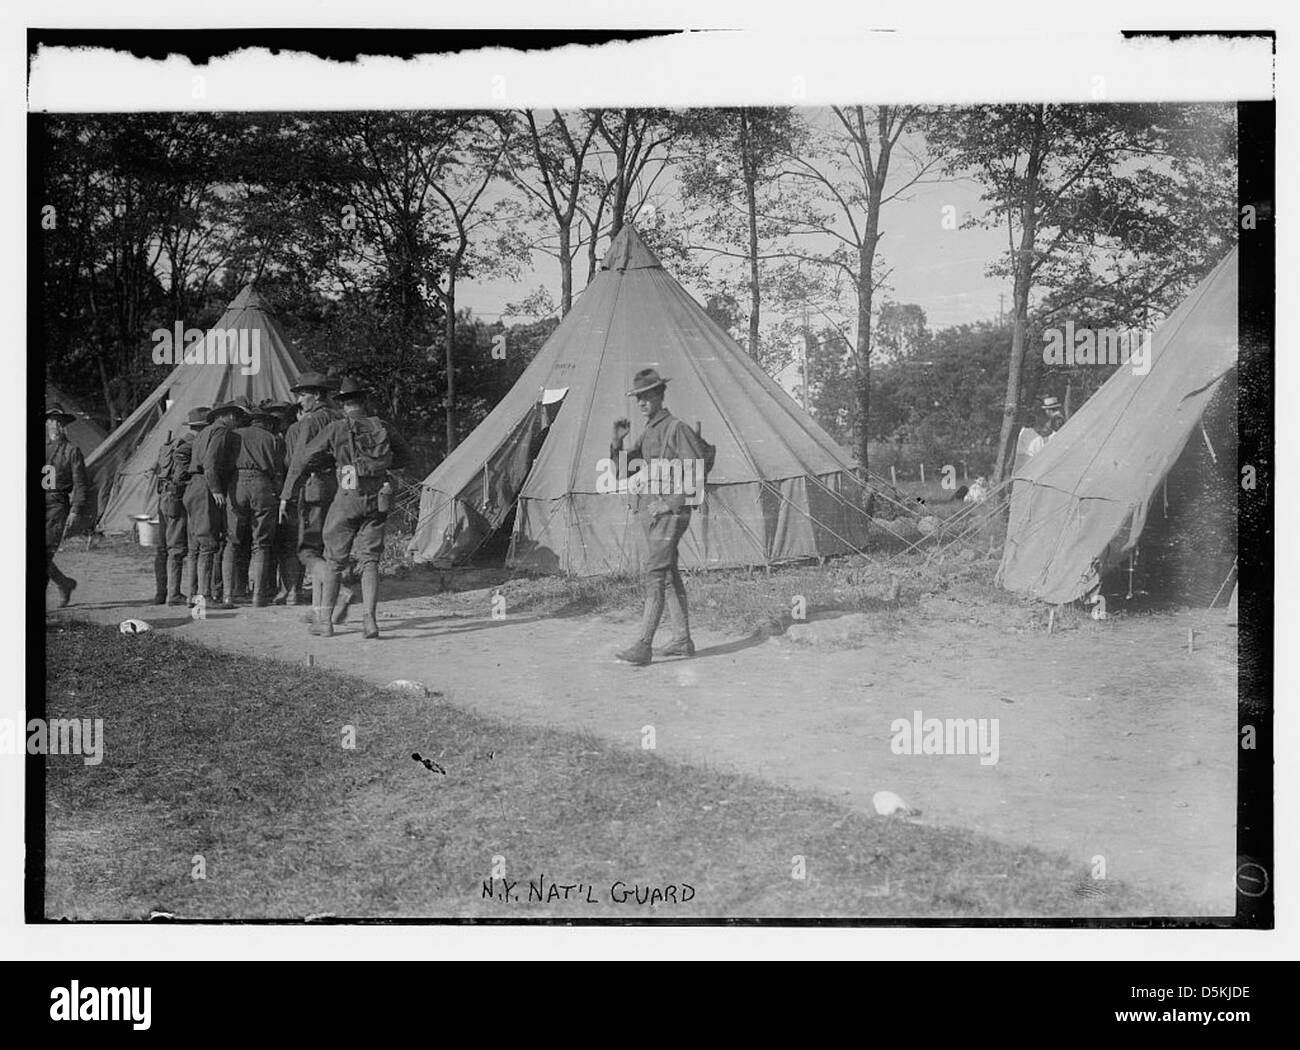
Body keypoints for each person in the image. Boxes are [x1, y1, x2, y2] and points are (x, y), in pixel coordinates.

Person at [280, 377, 411, 639]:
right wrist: (378, 468)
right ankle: (370, 621)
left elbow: (305, 456)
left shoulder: (338, 427)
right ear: (364, 401)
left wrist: (331, 460)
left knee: (334, 559)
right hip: (378, 496)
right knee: (370, 560)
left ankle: (326, 623)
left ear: (342, 403)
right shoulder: (381, 425)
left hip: (348, 493)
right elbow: (406, 456)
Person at [609, 368, 713, 666]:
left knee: (654, 572)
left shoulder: (676, 428)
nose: (641, 402)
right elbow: (624, 470)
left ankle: (644, 645)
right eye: (638, 397)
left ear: (660, 395)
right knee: (666, 573)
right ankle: (682, 640)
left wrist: (670, 504)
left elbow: (696, 470)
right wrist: (617, 442)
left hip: (670, 512)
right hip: (651, 511)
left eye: (647, 396)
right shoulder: (649, 431)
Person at [282, 371, 345, 626]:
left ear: (317, 395)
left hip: (315, 487)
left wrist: (287, 494)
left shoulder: (311, 421)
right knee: (328, 549)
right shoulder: (340, 417)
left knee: (307, 550)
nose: (300, 400)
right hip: (339, 488)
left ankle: (339, 594)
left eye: (303, 394)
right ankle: (319, 610)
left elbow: (299, 461)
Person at [184, 399, 246, 607]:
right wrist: (216, 489)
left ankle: (195, 595)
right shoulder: (221, 431)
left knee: (199, 543)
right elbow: (210, 463)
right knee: (208, 544)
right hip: (205, 486)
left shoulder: (203, 432)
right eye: (236, 418)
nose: (237, 422)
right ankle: (205, 596)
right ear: (227, 416)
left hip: (195, 486)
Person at [224, 400, 286, 607]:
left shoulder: (234, 435)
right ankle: (259, 595)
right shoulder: (273, 439)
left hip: (237, 483)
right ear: (266, 423)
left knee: (232, 541)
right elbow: (278, 471)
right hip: (262, 485)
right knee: (262, 543)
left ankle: (228, 595)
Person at [152, 407, 208, 606]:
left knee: (163, 547)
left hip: (164, 497)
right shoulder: (190, 444)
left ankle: (162, 593)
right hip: (176, 497)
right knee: (176, 548)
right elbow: (180, 466)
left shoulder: (173, 442)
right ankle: (173, 594)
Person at [43, 402, 89, 608]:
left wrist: (76, 509)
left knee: (45, 553)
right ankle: (65, 583)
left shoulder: (72, 451)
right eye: (52, 421)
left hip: (57, 505)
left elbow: (80, 483)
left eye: (60, 422)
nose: (56, 425)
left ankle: (63, 585)